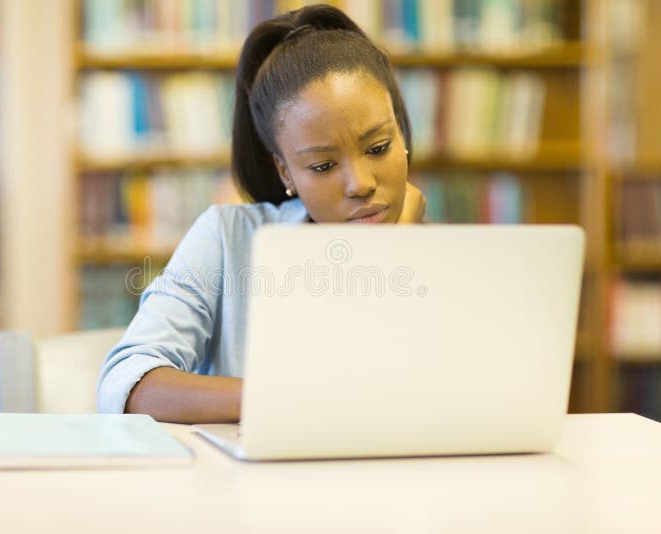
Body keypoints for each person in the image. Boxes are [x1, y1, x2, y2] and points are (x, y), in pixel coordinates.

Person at [97, 4, 426, 423]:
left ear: (401, 134)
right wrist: (291, 401)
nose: (359, 183)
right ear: (285, 171)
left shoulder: (461, 258)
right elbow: (128, 383)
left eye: (378, 147)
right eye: (323, 166)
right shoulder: (227, 239)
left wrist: (401, 251)